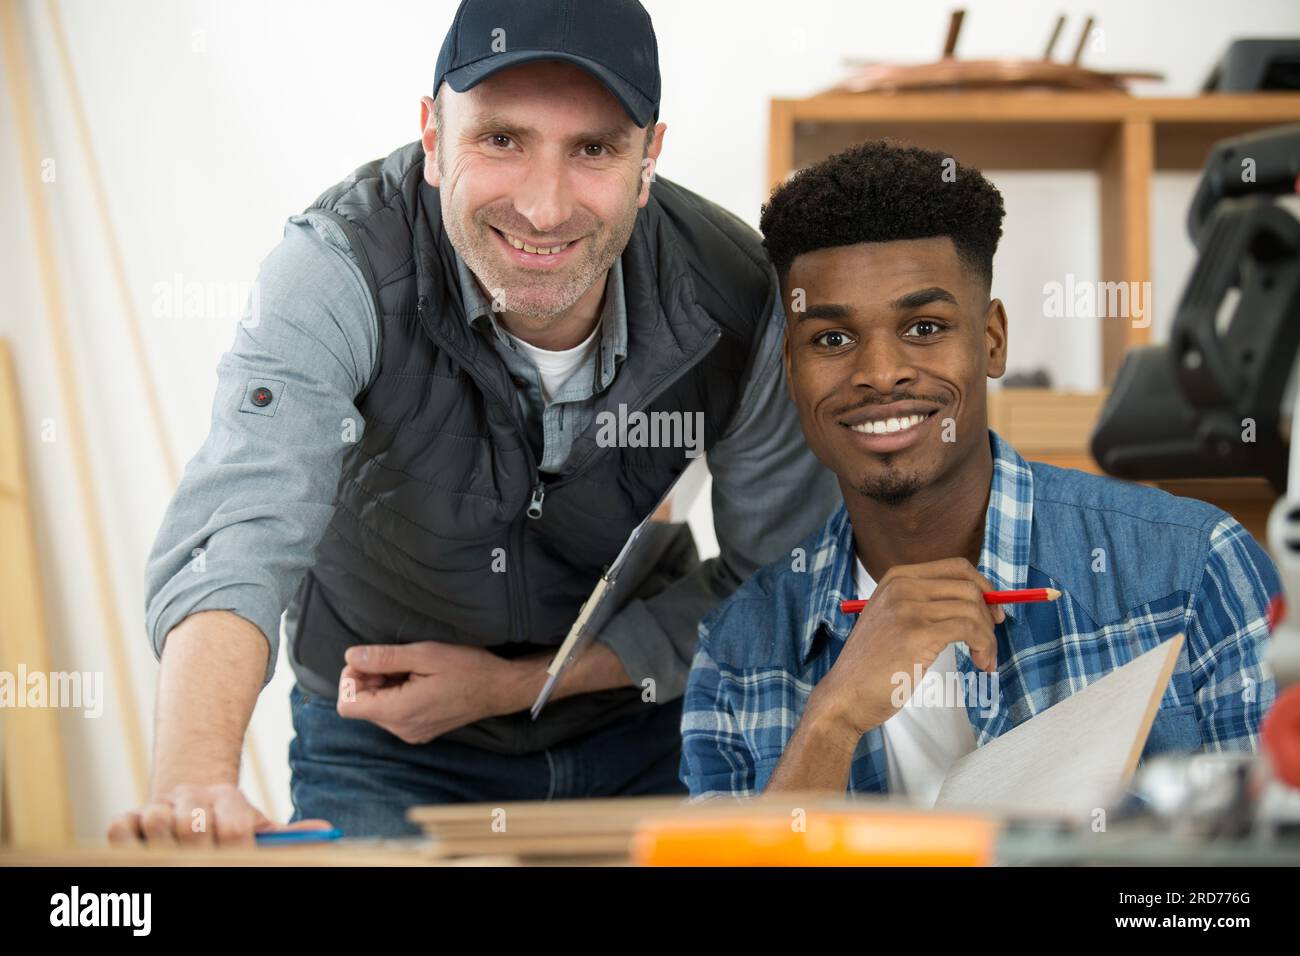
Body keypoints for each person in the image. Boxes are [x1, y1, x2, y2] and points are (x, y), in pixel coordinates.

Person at [110, 0, 838, 845]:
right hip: (389, 750)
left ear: (649, 162)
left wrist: (517, 684)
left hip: (643, 726)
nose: (542, 206)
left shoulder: (741, 295)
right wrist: (195, 779)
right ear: (431, 136)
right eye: (500, 139)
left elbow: (779, 581)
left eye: (594, 148)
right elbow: (240, 526)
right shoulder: (337, 268)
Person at [680, 140, 1281, 801]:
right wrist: (833, 718)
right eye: (831, 339)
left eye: (925, 327)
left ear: (991, 341)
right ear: (791, 369)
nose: (880, 374)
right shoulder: (736, 649)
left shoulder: (1194, 570)